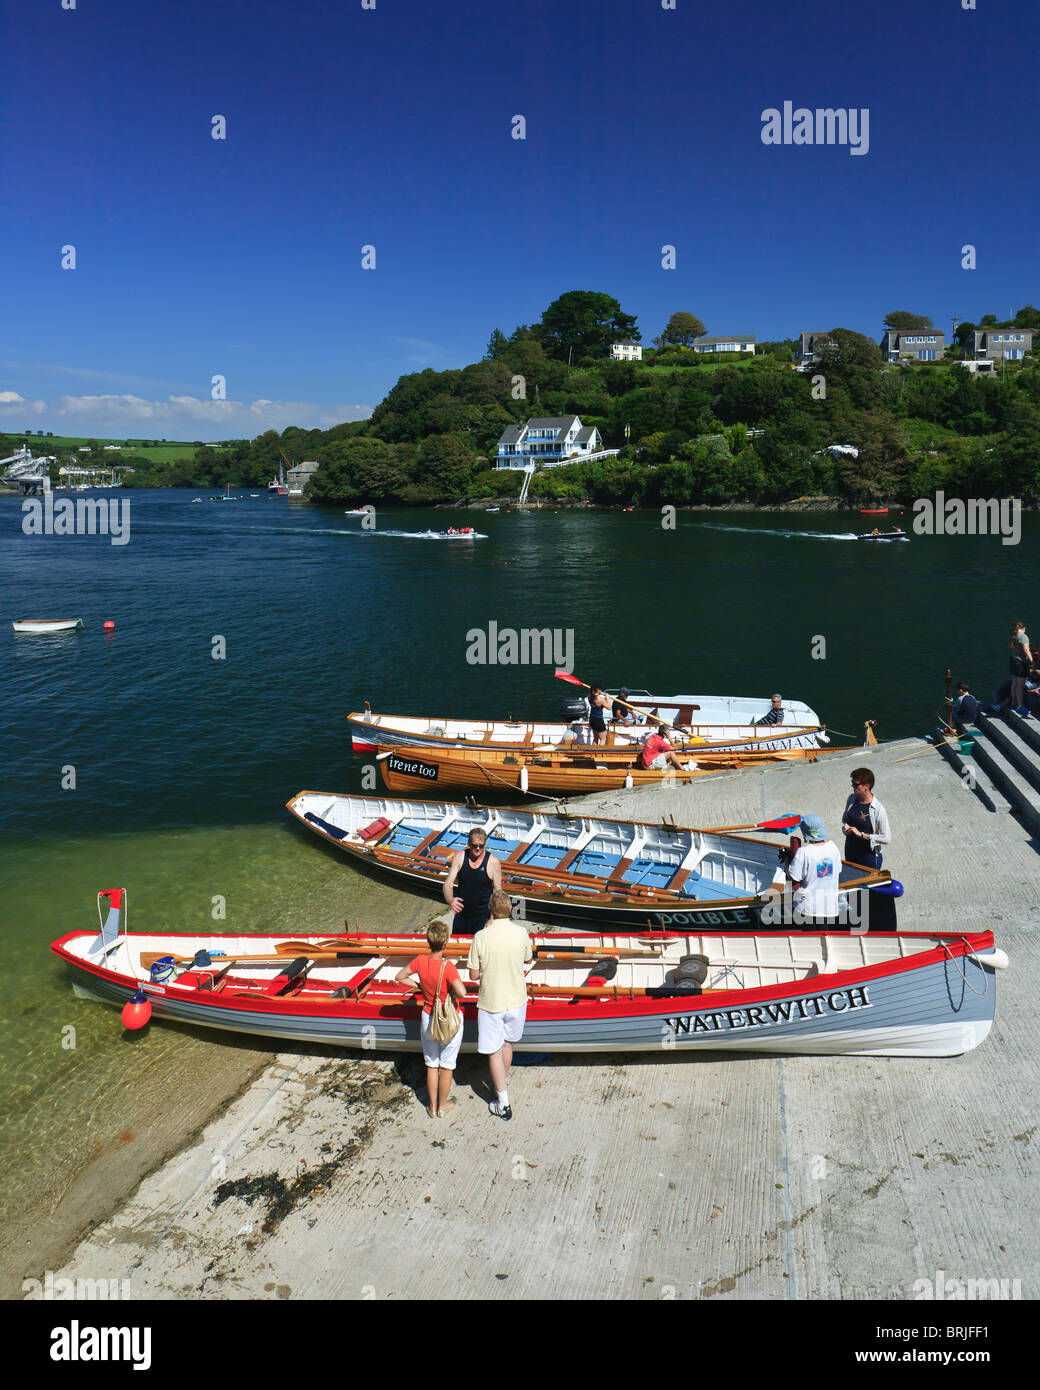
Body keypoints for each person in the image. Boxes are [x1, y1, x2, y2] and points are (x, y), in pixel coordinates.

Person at [467, 889, 533, 1120]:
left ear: (491, 911)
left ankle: (502, 1101)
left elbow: (473, 975)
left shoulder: (481, 937)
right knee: (507, 1045)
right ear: (510, 910)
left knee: (493, 1050)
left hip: (491, 1001)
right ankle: (501, 1085)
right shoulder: (521, 932)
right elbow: (528, 959)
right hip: (517, 1000)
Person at [395, 918, 468, 1118]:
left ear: (429, 941)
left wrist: (419, 986)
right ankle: (443, 1105)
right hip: (448, 1019)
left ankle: (432, 1105)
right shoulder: (448, 967)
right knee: (447, 1065)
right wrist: (450, 993)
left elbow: (399, 977)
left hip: (428, 1017)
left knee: (431, 1063)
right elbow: (462, 992)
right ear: (445, 943)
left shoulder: (419, 960)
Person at [444, 827, 502, 935]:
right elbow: (448, 883)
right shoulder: (460, 857)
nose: (478, 848)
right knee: (458, 949)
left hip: (482, 917)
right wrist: (450, 900)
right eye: (475, 845)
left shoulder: (493, 862)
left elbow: (497, 893)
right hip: (461, 915)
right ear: (469, 843)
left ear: (485, 844)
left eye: (481, 846)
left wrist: (492, 918)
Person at [782, 815, 841, 921]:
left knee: (809, 936)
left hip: (807, 907)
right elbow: (838, 870)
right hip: (829, 906)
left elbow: (793, 877)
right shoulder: (833, 847)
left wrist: (787, 861)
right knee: (825, 934)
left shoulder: (804, 852)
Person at [840, 768, 891, 871]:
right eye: (852, 783)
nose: (852, 786)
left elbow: (886, 838)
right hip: (850, 853)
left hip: (868, 858)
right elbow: (845, 819)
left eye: (856, 784)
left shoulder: (878, 809)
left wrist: (861, 834)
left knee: (868, 887)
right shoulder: (851, 799)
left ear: (866, 787)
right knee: (854, 885)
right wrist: (845, 827)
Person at [1009, 622, 1033, 715]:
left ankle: (1013, 702)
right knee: (1020, 685)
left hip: (1013, 660)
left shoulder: (1014, 636)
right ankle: (1020, 705)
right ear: (1024, 628)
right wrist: (1032, 661)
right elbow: (1026, 650)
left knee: (1014, 683)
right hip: (1020, 663)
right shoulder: (1023, 637)